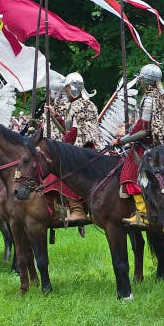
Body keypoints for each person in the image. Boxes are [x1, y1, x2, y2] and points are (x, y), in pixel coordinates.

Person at [119, 64, 164, 227]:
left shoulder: (149, 98)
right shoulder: (161, 97)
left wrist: (122, 140)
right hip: (162, 144)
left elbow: (144, 129)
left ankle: (143, 212)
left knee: (129, 172)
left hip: (149, 145)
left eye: (142, 77)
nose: (139, 79)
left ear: (148, 80)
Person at [47, 72, 104, 223]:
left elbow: (73, 133)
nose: (65, 92)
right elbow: (67, 130)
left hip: (83, 148)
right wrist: (54, 116)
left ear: (73, 89)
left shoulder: (77, 106)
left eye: (67, 89)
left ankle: (76, 208)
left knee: (58, 172)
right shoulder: (87, 104)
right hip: (89, 147)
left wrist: (58, 147)